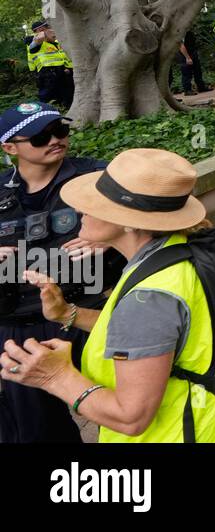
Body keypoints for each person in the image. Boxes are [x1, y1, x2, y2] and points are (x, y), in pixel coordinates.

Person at [1, 149, 215, 442]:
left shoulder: (148, 297)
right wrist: (68, 314)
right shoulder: (177, 251)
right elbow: (160, 333)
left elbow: (131, 417)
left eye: (95, 204)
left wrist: (55, 376)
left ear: (128, 221)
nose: (81, 211)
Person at [0, 103, 124, 442]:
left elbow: (159, 216)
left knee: (122, 413)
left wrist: (114, 234)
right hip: (19, 325)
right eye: (41, 136)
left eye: (60, 131)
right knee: (34, 430)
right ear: (10, 147)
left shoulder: (98, 177)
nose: (55, 140)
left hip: (89, 314)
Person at [25, 21, 74, 111]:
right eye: (44, 28)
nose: (48, 30)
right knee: (47, 96)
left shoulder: (54, 41)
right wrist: (43, 33)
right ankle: (46, 114)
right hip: (46, 72)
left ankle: (65, 111)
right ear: (37, 31)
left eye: (47, 28)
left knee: (65, 93)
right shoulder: (34, 40)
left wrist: (66, 67)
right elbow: (36, 43)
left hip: (61, 70)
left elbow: (62, 55)